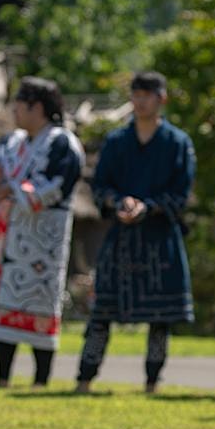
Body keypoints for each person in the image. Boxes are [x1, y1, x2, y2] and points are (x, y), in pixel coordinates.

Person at [76, 72, 195, 394]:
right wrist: (119, 202)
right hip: (122, 238)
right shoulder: (116, 141)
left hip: (160, 237)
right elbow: (99, 186)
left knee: (161, 318)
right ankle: (84, 378)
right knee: (102, 312)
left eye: (148, 94)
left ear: (162, 99)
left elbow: (182, 193)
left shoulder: (178, 143)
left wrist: (149, 206)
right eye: (136, 94)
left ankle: (152, 382)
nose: (141, 100)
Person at [0, 77, 85, 388]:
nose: (14, 111)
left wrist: (10, 187)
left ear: (36, 107)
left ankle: (41, 379)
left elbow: (52, 188)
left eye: (19, 104)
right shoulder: (10, 142)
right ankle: (2, 377)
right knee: (3, 304)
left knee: (40, 301)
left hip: (42, 240)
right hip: (4, 235)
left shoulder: (63, 143)